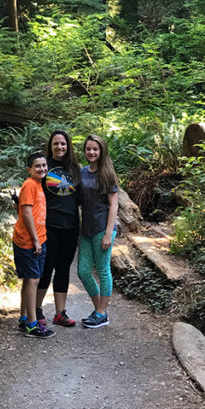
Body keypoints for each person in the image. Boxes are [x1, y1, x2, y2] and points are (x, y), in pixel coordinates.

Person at [35, 129, 82, 327]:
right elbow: (33, 189)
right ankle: (36, 311)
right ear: (51, 146)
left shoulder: (75, 168)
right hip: (49, 224)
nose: (60, 147)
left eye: (63, 143)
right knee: (46, 269)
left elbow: (82, 197)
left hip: (70, 225)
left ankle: (60, 313)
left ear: (68, 145)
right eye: (56, 143)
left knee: (63, 269)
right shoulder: (45, 165)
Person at [77, 134, 119, 329]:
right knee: (83, 271)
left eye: (95, 149)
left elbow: (114, 205)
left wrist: (108, 233)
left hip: (102, 227)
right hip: (86, 228)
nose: (91, 152)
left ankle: (101, 313)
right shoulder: (82, 172)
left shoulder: (107, 173)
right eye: (88, 149)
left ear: (101, 151)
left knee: (102, 269)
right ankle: (100, 311)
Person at [12, 151, 55, 339]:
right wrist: (36, 240)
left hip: (38, 239)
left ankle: (24, 317)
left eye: (44, 165)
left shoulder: (38, 184)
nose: (42, 168)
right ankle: (31, 324)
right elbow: (27, 214)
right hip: (28, 242)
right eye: (37, 166)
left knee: (30, 280)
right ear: (29, 169)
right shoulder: (29, 184)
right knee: (33, 280)